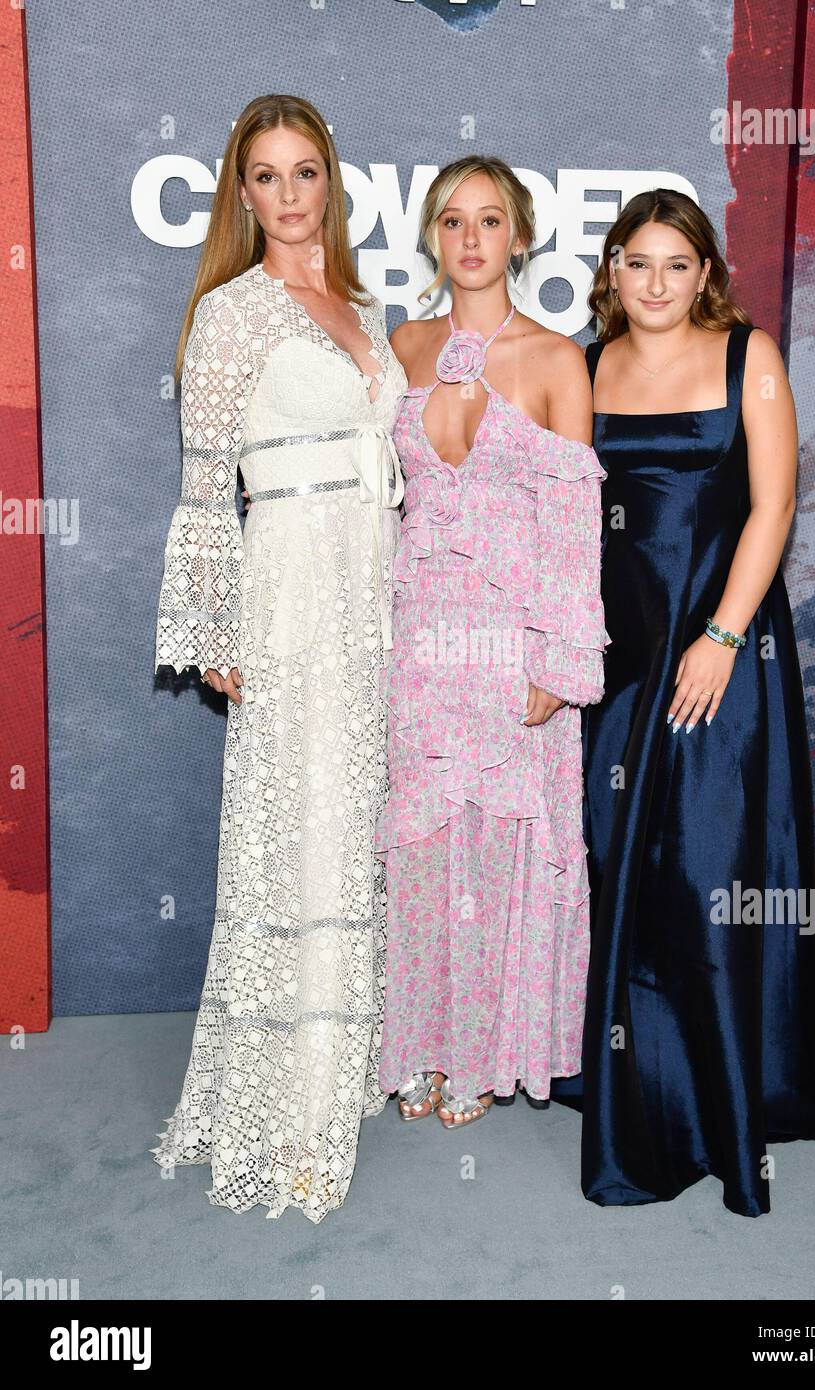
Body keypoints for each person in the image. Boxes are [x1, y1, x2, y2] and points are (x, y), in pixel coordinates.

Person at [551, 187, 815, 1216]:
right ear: (612, 269)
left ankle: (731, 1091)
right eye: (637, 262)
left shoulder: (746, 358)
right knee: (614, 862)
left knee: (709, 867)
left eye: (677, 265)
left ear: (707, 273)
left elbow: (773, 504)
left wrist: (721, 636)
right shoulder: (586, 365)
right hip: (616, 658)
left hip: (725, 650)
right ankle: (633, 1084)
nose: (656, 284)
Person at [151, 94, 407, 1222]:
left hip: (372, 585)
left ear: (329, 184)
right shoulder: (229, 315)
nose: (292, 194)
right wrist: (215, 629)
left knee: (354, 824)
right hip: (292, 588)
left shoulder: (363, 301)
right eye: (269, 175)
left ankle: (343, 1068)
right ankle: (282, 1101)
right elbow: (207, 493)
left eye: (308, 172)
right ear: (241, 193)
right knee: (294, 829)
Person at [373, 156, 609, 1127]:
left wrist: (560, 661)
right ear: (433, 236)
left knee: (503, 852)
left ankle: (482, 1056)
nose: (472, 239)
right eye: (454, 221)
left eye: (490, 220)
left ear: (520, 236)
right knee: (426, 852)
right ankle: (422, 1048)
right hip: (421, 638)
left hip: (512, 645)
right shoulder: (399, 344)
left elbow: (574, 524)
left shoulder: (557, 359)